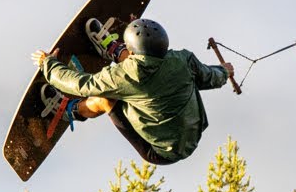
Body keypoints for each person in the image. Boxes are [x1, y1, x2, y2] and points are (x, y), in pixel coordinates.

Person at [30, 18, 233, 165]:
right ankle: (114, 50)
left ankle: (68, 110)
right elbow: (211, 77)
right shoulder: (184, 60)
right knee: (145, 67)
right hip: (191, 136)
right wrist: (225, 71)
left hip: (161, 151)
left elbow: (83, 85)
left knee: (104, 99)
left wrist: (49, 64)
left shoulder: (125, 77)